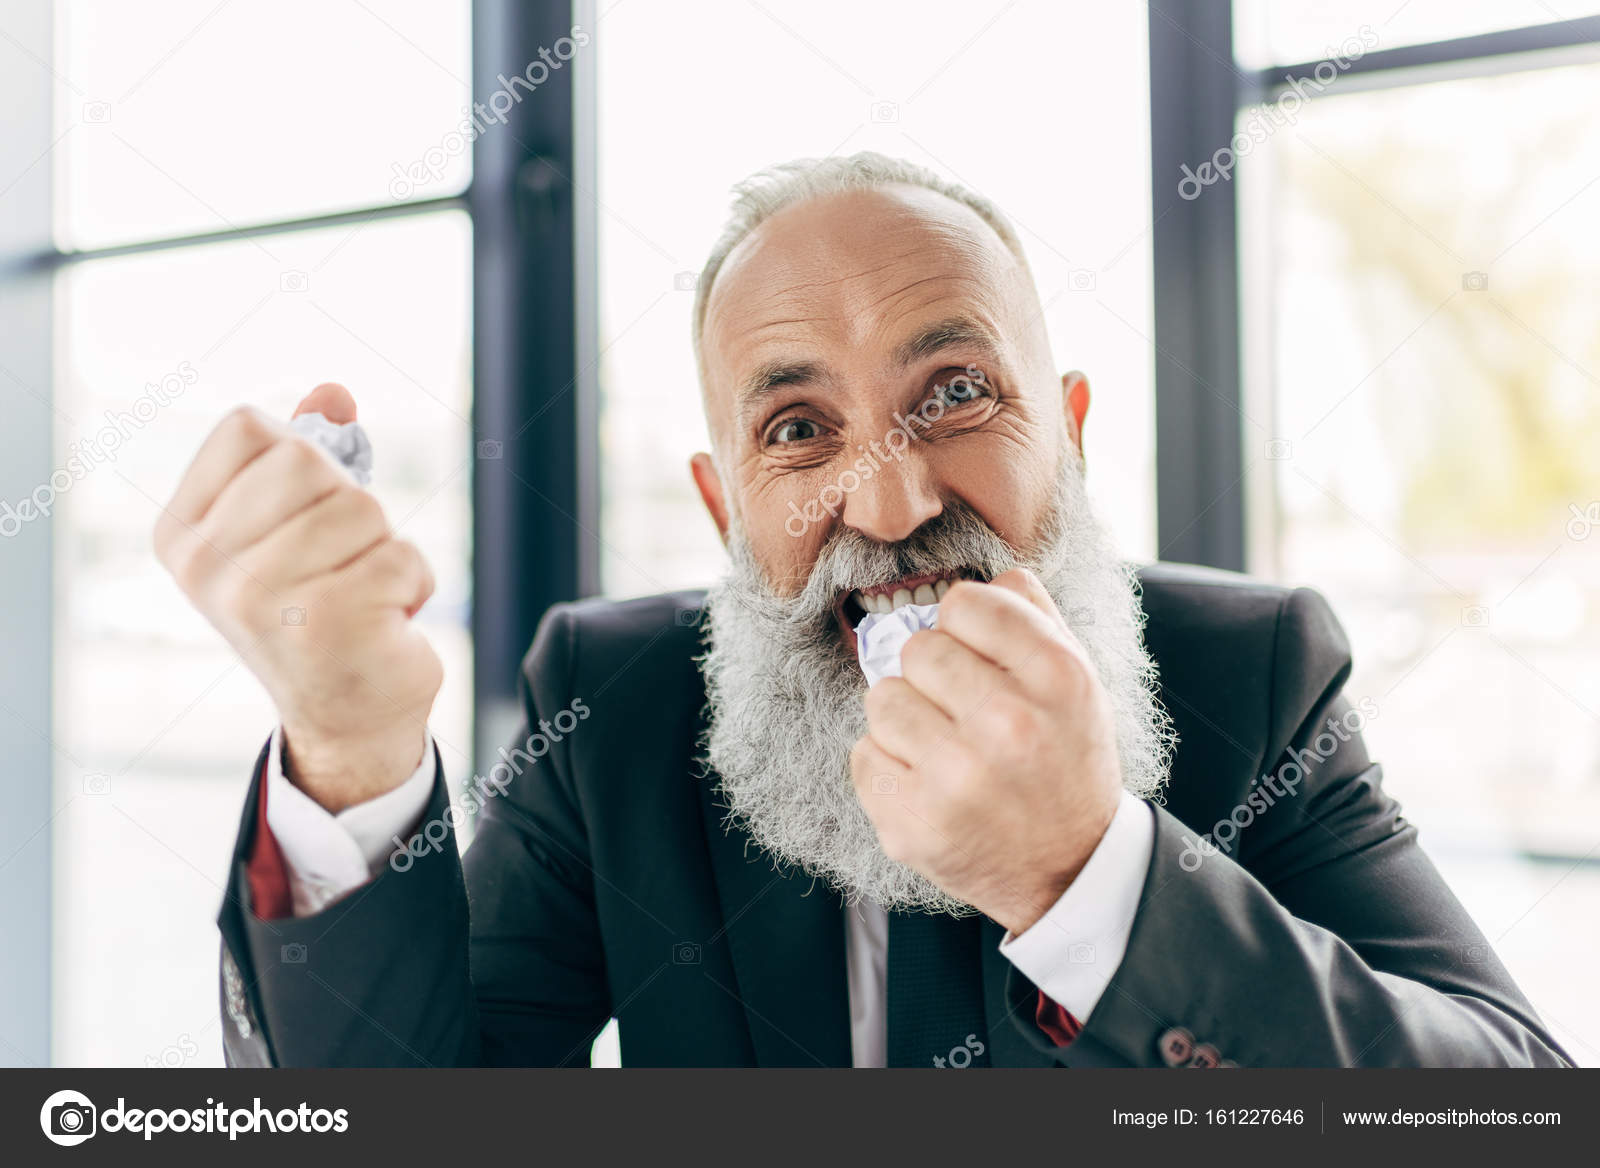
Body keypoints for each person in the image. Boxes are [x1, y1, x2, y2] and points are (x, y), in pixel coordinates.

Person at [154, 153, 1568, 1067]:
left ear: (1070, 437)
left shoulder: (1254, 676)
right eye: (797, 431)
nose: (890, 505)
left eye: (954, 394)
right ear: (724, 513)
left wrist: (1087, 877)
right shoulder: (610, 709)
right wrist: (349, 749)